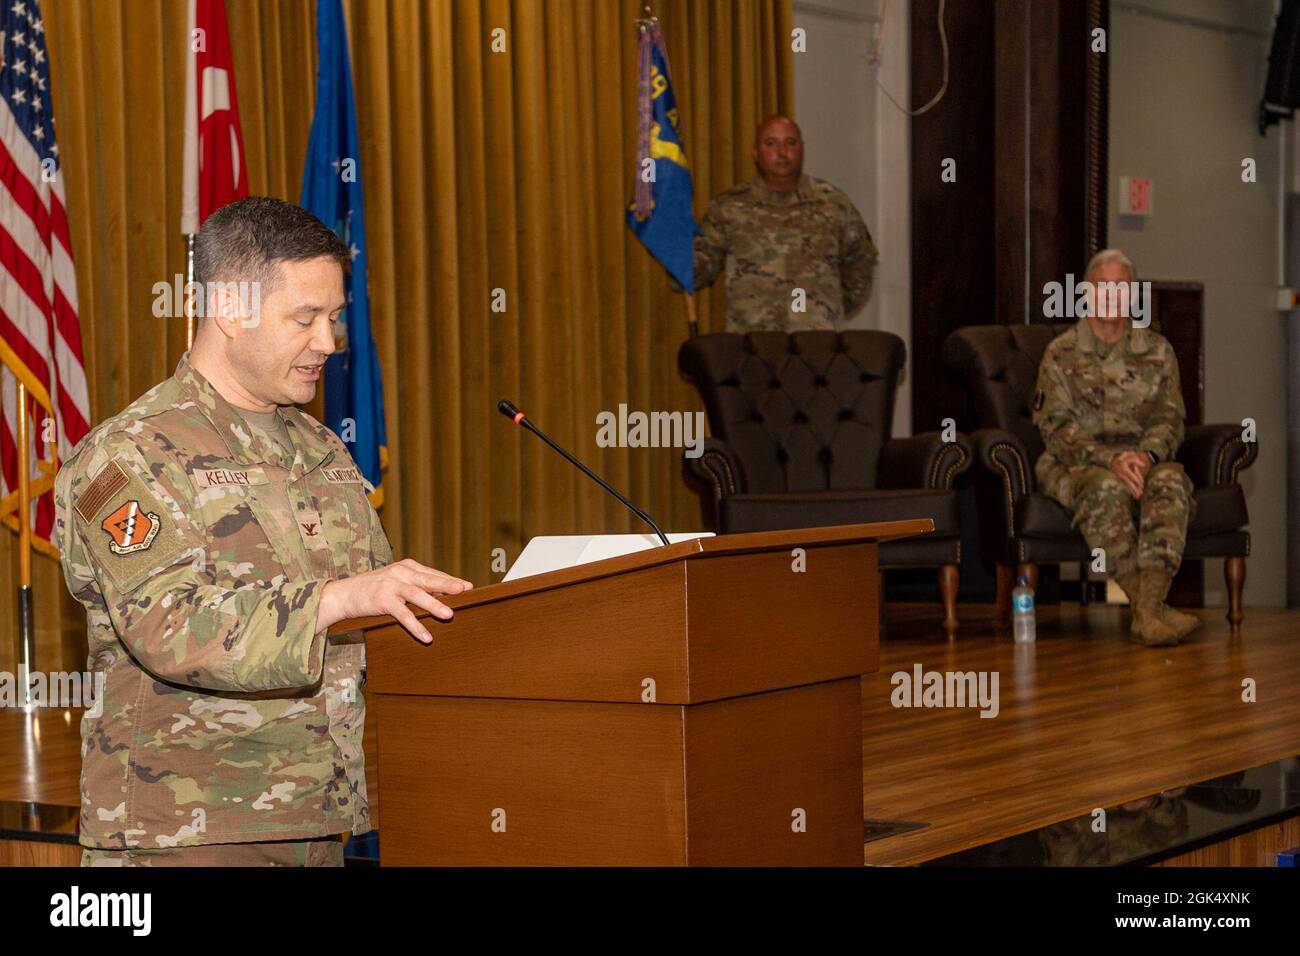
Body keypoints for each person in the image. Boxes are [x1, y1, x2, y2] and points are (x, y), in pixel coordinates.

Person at [54, 196, 471, 866]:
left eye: (334, 318)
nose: (329, 343)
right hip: (189, 834)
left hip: (321, 819)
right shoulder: (128, 455)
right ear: (228, 310)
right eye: (303, 319)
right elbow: (170, 628)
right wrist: (338, 599)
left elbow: (378, 624)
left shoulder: (321, 450)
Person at [1033, 248, 1198, 647]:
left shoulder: (1158, 351)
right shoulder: (1060, 353)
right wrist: (1111, 459)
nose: (1111, 296)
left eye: (1120, 288)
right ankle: (1150, 609)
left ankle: (1147, 611)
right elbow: (1056, 428)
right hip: (1076, 464)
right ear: (1085, 293)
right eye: (1102, 287)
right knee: (1106, 487)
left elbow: (1170, 418)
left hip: (1143, 459)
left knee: (1172, 481)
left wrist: (1145, 457)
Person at [690, 115, 877, 332]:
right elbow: (697, 270)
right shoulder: (729, 207)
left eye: (790, 143)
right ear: (755, 153)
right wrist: (666, 236)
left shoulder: (832, 204)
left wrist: (824, 309)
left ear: (802, 149)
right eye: (771, 144)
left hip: (818, 344)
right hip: (753, 345)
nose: (782, 152)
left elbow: (860, 262)